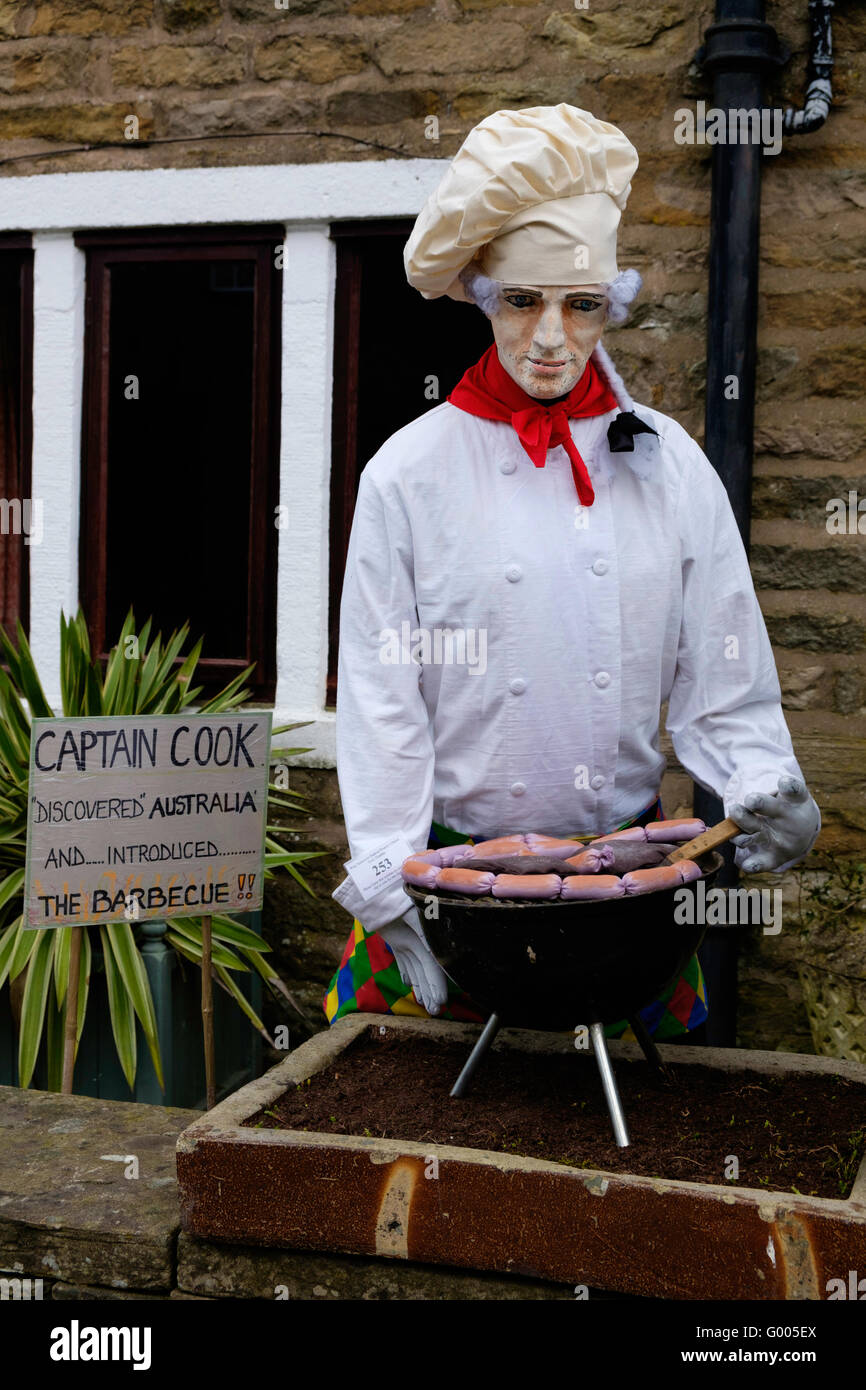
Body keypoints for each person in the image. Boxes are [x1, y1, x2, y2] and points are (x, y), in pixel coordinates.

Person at [323, 104, 820, 1040]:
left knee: (629, 1159)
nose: (551, 336)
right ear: (484, 296)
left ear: (612, 306)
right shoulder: (407, 472)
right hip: (456, 884)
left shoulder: (670, 464)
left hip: (624, 887)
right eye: (524, 300)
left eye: (580, 304)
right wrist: (392, 879)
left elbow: (721, 667)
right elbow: (385, 698)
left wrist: (763, 784)